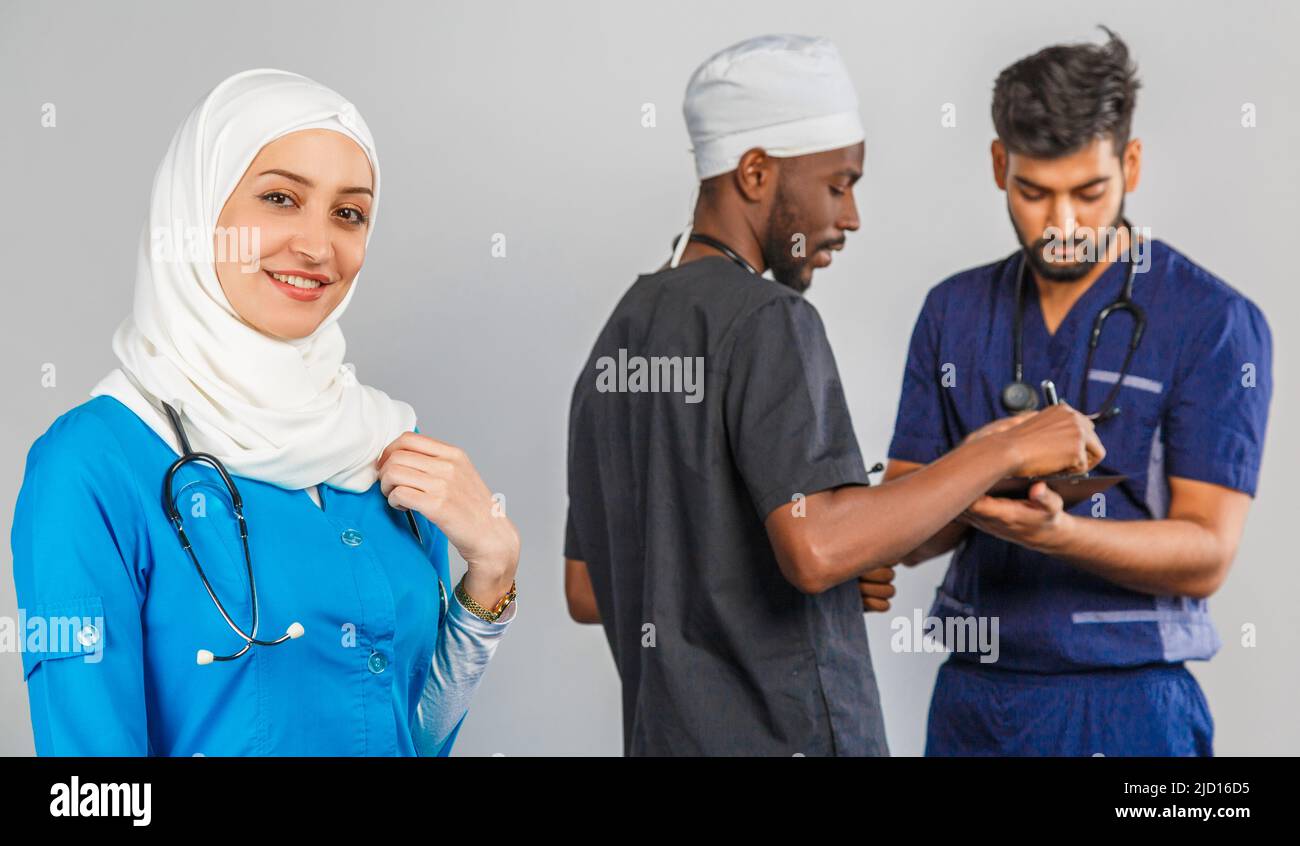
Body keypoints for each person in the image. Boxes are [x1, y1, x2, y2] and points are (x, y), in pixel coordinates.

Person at [563, 34, 1102, 756]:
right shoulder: (767, 320)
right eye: (839, 185)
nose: (850, 218)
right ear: (755, 172)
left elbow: (591, 589)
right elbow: (816, 545)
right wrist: (1005, 448)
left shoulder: (616, 343)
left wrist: (813, 576)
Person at [11, 69, 520, 756]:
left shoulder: (386, 449)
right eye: (280, 198)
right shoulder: (95, 464)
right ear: (200, 207)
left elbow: (411, 737)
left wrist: (490, 574)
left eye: (349, 213)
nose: (316, 246)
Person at [884, 28, 1273, 756]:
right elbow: (903, 532)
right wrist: (984, 459)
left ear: (1131, 164)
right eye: (1034, 193)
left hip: (1132, 704)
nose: (1062, 225)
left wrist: (1060, 536)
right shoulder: (953, 312)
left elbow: (1207, 553)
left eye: (1089, 193)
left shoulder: (1214, 322)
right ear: (1000, 165)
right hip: (976, 701)